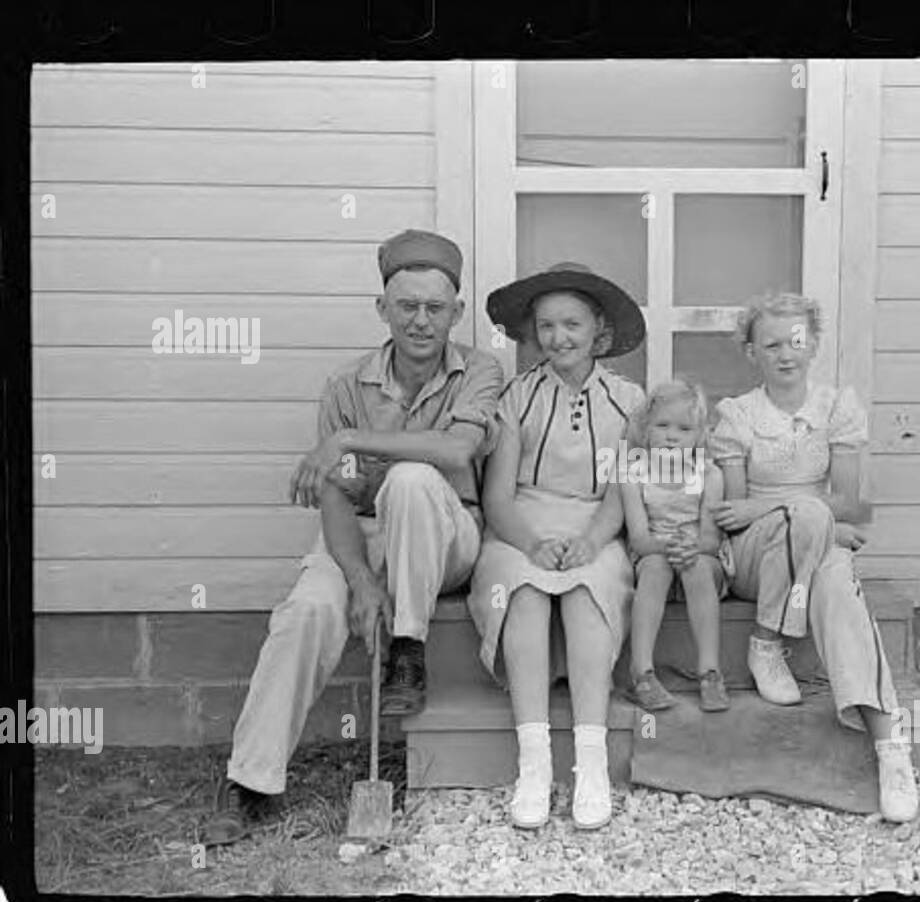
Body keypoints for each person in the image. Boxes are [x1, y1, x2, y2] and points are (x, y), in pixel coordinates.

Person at [202, 230, 503, 845]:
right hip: (360, 535)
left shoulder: (479, 369)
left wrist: (346, 440)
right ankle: (250, 780)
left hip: (447, 537)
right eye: (407, 306)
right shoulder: (347, 386)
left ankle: (408, 649)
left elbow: (455, 449)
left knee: (415, 480)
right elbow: (336, 496)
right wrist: (362, 581)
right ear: (382, 309)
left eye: (436, 308)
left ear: (458, 313)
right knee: (307, 611)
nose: (421, 321)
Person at [709, 292, 920, 823]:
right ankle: (766, 639)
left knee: (839, 585)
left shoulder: (836, 407)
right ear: (752, 352)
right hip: (759, 555)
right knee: (810, 522)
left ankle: (890, 750)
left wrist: (810, 513)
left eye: (797, 341)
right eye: (771, 343)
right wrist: (816, 516)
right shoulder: (737, 414)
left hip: (817, 547)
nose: (786, 353)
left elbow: (850, 501)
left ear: (815, 344)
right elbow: (736, 513)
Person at [468, 262, 645, 831]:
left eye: (572, 324)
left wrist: (593, 542)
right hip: (522, 524)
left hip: (597, 525)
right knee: (521, 590)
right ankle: (535, 763)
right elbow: (497, 498)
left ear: (599, 331)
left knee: (587, 594)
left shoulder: (628, 401)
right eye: (546, 326)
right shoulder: (518, 396)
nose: (558, 337)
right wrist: (531, 542)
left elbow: (624, 488)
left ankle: (590, 762)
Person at [619, 378, 731, 713]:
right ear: (646, 430)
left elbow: (712, 539)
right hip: (654, 556)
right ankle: (642, 671)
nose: (671, 435)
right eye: (662, 425)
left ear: (699, 435)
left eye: (683, 429)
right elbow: (638, 537)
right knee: (654, 566)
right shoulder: (633, 474)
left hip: (699, 558)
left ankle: (709, 671)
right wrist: (667, 548)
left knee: (695, 566)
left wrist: (691, 548)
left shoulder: (709, 476)